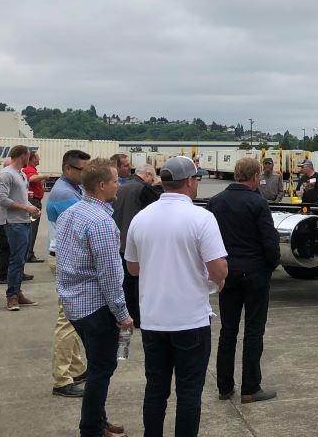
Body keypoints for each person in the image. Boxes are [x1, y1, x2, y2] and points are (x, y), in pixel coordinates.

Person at [125, 156, 228, 437]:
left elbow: (132, 268)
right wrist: (216, 279)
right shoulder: (202, 218)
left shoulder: (141, 218)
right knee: (189, 392)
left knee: (156, 389)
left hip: (153, 319)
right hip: (189, 319)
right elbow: (219, 268)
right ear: (191, 182)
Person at [55, 158, 132, 437]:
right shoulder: (101, 222)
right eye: (115, 181)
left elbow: (60, 256)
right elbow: (110, 276)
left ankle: (99, 420)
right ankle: (91, 428)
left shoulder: (72, 213)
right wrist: (122, 314)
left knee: (97, 364)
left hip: (74, 304)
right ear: (101, 185)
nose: (118, 185)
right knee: (102, 368)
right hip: (95, 307)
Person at [207, 157, 280, 404]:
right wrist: (271, 265)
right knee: (253, 331)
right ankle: (250, 387)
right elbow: (269, 241)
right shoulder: (258, 202)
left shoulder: (216, 202)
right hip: (255, 273)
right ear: (255, 177)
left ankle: (224, 387)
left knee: (228, 331)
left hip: (228, 273)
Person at [48, 149, 92, 398]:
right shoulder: (66, 194)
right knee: (66, 322)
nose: (86, 174)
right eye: (82, 170)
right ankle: (62, 379)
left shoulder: (70, 189)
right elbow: (82, 227)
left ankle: (75, 368)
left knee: (73, 319)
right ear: (68, 169)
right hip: (68, 261)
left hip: (65, 259)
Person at [112, 163, 161, 327]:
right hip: (136, 245)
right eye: (152, 176)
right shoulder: (144, 189)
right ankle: (139, 317)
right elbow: (157, 210)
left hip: (120, 242)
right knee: (138, 282)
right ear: (147, 175)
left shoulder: (121, 187)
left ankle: (126, 314)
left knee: (125, 282)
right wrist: (158, 188)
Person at [0, 145, 43, 311]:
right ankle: (12, 297)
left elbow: (21, 198)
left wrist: (31, 207)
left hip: (23, 221)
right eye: (28, 156)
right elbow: (1, 199)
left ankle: (17, 292)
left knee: (20, 259)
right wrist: (26, 208)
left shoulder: (21, 174)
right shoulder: (6, 174)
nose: (29, 160)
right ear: (23, 156)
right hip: (13, 222)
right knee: (16, 260)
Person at [23, 151, 48, 263]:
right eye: (37, 158)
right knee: (32, 229)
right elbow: (31, 179)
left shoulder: (32, 169)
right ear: (32, 159)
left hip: (35, 201)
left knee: (32, 228)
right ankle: (28, 254)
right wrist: (44, 176)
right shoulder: (29, 169)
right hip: (33, 202)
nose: (39, 160)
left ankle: (28, 253)